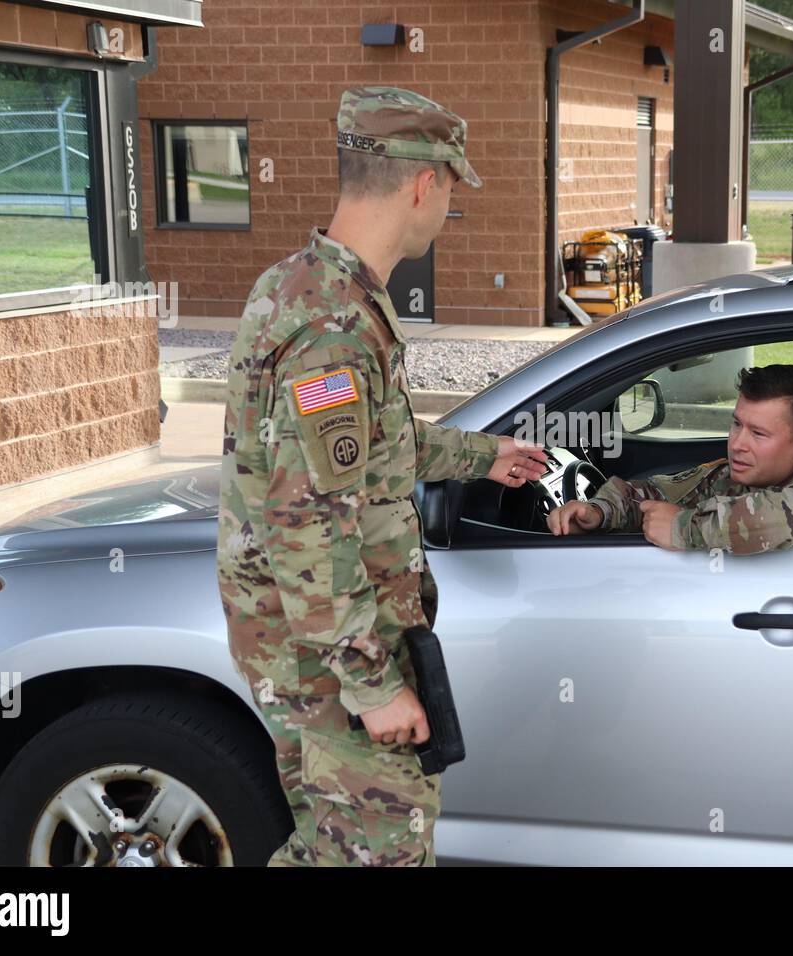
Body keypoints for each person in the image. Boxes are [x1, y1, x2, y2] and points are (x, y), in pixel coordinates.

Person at [217, 86, 547, 867]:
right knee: (378, 847)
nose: (449, 205)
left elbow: (367, 449)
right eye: (452, 185)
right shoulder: (331, 325)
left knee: (334, 845)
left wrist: (482, 457)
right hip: (332, 652)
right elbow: (306, 522)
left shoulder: (304, 285)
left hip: (312, 640)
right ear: (423, 182)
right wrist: (370, 681)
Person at [546, 364, 793, 553]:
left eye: (759, 434)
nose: (738, 443)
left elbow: (777, 519)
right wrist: (598, 513)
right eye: (737, 424)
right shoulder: (725, 478)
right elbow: (653, 495)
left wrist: (683, 527)